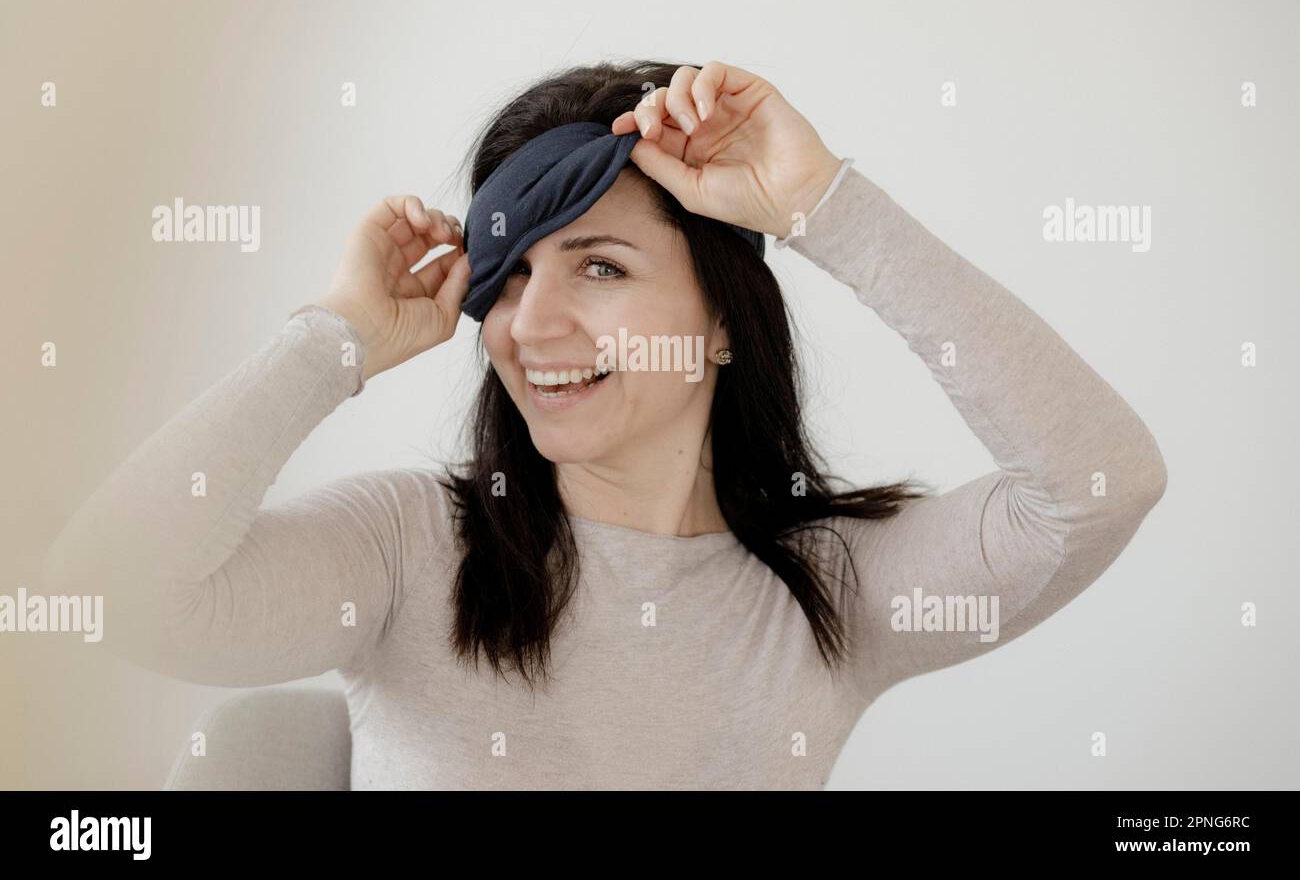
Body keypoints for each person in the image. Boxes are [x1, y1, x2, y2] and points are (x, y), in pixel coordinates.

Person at [44, 59, 1167, 789]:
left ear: (722, 320)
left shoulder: (832, 591)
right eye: (511, 276)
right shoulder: (407, 549)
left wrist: (821, 202)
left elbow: (1101, 481)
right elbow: (109, 595)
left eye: (600, 264)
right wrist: (335, 337)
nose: (533, 321)